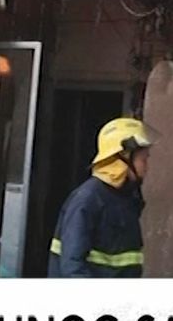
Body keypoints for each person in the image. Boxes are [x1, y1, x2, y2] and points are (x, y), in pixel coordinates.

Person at [49, 117, 153, 277]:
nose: (146, 167)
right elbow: (73, 267)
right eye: (143, 159)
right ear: (125, 157)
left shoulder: (125, 198)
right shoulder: (88, 200)